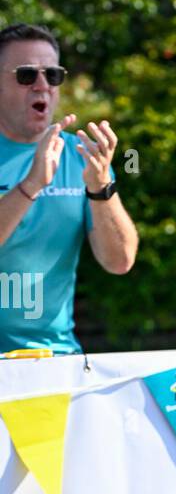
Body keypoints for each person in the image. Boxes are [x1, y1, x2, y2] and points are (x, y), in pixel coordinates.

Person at [0, 23, 138, 353]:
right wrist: (31, 186)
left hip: (53, 359)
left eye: (52, 75)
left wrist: (101, 187)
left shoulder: (80, 157)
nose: (42, 86)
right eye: (26, 75)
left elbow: (119, 261)